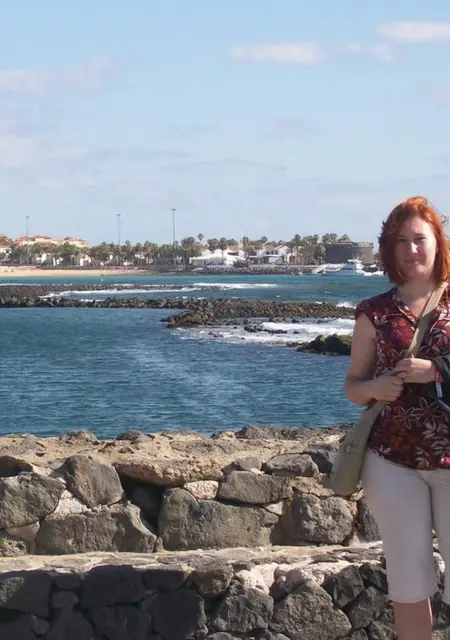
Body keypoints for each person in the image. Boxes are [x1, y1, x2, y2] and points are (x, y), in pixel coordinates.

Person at [344, 196, 450, 640]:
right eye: (401, 241)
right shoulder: (374, 312)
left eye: (419, 239)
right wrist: (377, 387)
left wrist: (437, 370)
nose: (411, 249)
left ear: (438, 242)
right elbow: (354, 386)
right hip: (392, 461)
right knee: (408, 580)